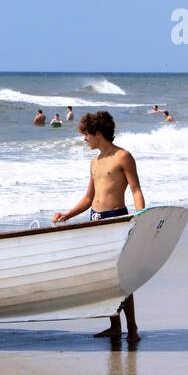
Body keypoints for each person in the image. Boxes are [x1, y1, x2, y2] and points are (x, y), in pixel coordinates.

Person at [50, 111, 146, 343]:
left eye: (86, 135)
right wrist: (67, 215)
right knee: (106, 277)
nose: (84, 139)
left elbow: (135, 190)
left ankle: (132, 329)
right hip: (96, 219)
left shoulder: (123, 157)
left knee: (123, 277)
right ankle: (114, 326)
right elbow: (88, 198)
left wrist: (142, 217)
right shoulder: (94, 162)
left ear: (97, 133)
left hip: (116, 218)